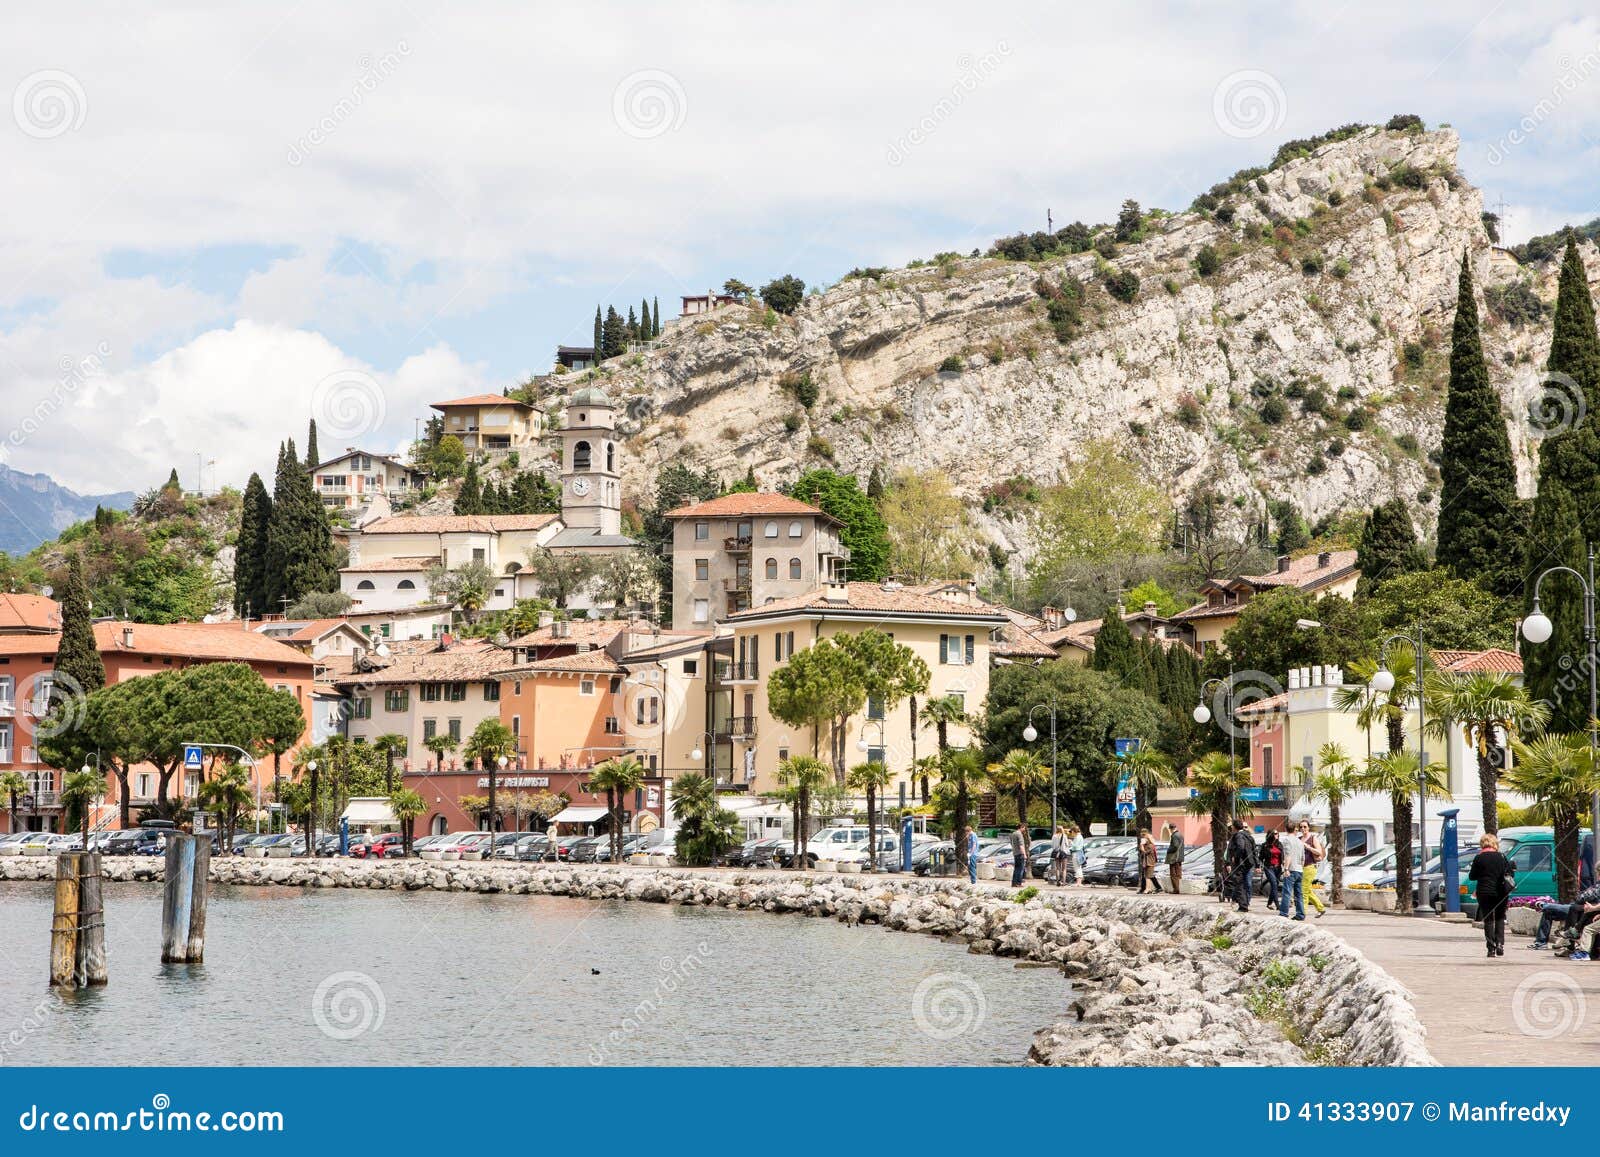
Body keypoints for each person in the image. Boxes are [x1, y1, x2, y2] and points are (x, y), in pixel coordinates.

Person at [1468, 833, 1514, 957]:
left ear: (1482, 844)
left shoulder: (1479, 858)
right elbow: (1511, 874)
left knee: (1488, 919)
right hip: (1501, 892)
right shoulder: (1501, 857)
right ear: (1495, 844)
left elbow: (1472, 876)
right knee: (1499, 917)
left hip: (1484, 892)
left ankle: (1491, 949)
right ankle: (1500, 944)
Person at [1527, 880, 1600, 952]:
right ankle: (1541, 943)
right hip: (1580, 908)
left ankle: (1544, 905)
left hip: (1583, 910)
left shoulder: (1598, 886)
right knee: (1549, 912)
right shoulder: (1597, 884)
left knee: (1568, 908)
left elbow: (1583, 897)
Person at [1225, 819, 1257, 912]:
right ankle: (1245, 903)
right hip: (1248, 863)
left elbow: (1241, 847)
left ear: (1234, 827)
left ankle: (1243, 906)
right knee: (1244, 884)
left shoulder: (1238, 836)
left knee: (1240, 884)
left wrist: (1236, 857)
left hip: (1241, 864)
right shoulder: (1248, 836)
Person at [1298, 820, 1327, 918]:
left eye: (1305, 827)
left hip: (1310, 866)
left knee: (1303, 890)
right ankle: (1321, 908)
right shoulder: (1299, 839)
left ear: (1308, 828)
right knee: (1308, 890)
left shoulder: (1312, 838)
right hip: (1301, 867)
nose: (1303, 829)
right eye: (1301, 827)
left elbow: (1319, 852)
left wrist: (1308, 847)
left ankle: (1303, 913)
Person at [1278, 826, 1306, 920]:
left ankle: (1283, 913)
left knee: (1287, 892)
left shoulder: (1286, 840)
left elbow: (1288, 855)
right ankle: (1300, 914)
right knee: (1298, 894)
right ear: (1295, 830)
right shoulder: (1300, 842)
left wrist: (1286, 869)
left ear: (1286, 830)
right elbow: (1303, 858)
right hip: (1299, 869)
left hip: (1291, 869)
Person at [1260, 830, 1283, 910]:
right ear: (1271, 835)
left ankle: (1269, 903)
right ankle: (1277, 905)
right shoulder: (1265, 845)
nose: (1277, 835)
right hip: (1269, 867)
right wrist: (1259, 866)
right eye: (1275, 833)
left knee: (1275, 884)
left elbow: (1282, 856)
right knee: (1274, 884)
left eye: (1277, 833)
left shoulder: (1279, 845)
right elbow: (1260, 858)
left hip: (1278, 867)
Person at [1136, 828, 1160, 894]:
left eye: (1143, 834)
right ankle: (1147, 888)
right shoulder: (1149, 842)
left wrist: (1142, 849)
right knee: (1147, 875)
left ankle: (1148, 888)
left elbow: (1143, 849)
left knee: (1148, 875)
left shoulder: (1149, 844)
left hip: (1149, 861)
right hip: (1147, 860)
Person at [1165, 823, 1185, 894]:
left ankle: (1176, 889)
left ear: (1170, 829)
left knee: (1173, 874)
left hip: (1174, 857)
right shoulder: (1180, 835)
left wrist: (1168, 850)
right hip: (1179, 857)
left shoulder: (1174, 836)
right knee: (1178, 873)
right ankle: (1177, 889)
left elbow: (1175, 846)